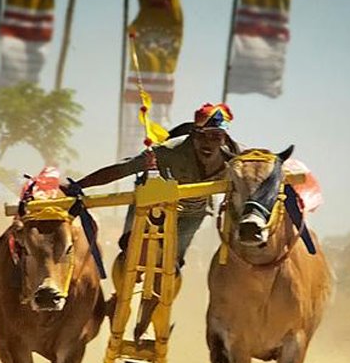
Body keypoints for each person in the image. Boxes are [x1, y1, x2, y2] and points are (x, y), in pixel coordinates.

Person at [65, 102, 240, 268]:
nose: (208, 143)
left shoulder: (234, 162)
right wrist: (79, 185)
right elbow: (123, 168)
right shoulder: (166, 151)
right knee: (131, 248)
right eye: (202, 136)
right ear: (193, 135)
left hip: (193, 214)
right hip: (152, 206)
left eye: (215, 137)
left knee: (173, 262)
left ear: (224, 138)